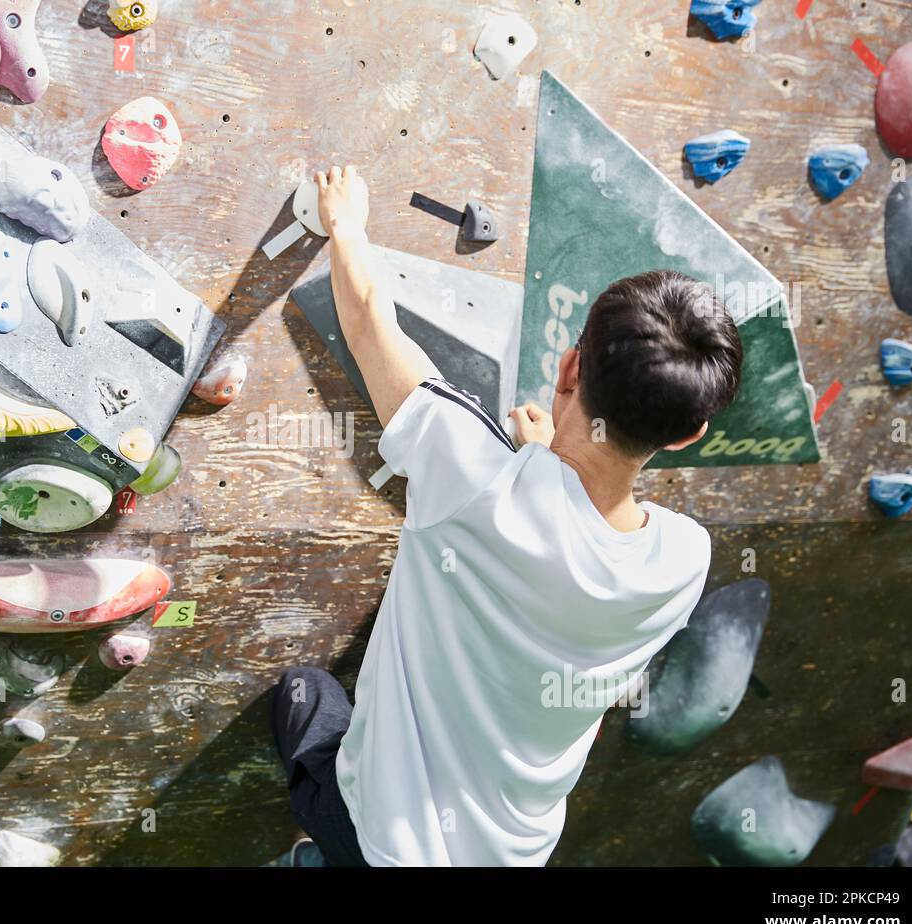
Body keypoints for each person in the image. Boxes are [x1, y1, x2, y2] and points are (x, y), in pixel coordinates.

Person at [272, 165, 744, 866]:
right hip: (512, 854)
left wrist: (345, 221)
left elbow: (371, 323)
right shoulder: (685, 558)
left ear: (568, 371)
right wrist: (543, 458)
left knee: (303, 692)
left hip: (381, 842)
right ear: (685, 436)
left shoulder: (471, 470)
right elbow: (572, 536)